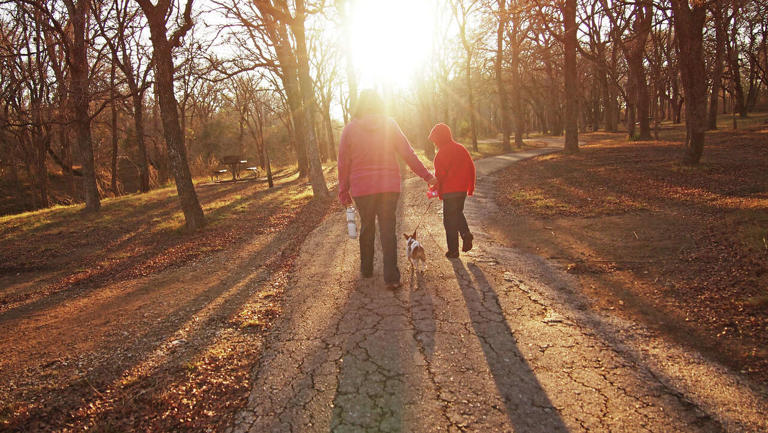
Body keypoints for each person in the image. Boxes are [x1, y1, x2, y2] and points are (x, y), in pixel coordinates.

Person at [338, 90, 437, 289]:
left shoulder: (349, 129)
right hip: (388, 187)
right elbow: (408, 154)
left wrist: (343, 189)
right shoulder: (389, 125)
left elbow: (343, 163)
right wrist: (427, 176)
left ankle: (366, 270)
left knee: (367, 227)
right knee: (388, 230)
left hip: (362, 189)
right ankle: (391, 277)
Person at [428, 123, 476, 258]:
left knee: (449, 221)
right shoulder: (461, 149)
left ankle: (453, 251)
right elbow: (471, 167)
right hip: (461, 190)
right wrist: (470, 187)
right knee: (457, 213)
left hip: (450, 192)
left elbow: (440, 176)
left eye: (435, 140)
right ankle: (466, 234)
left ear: (439, 139)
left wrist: (434, 188)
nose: (434, 143)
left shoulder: (441, 154)